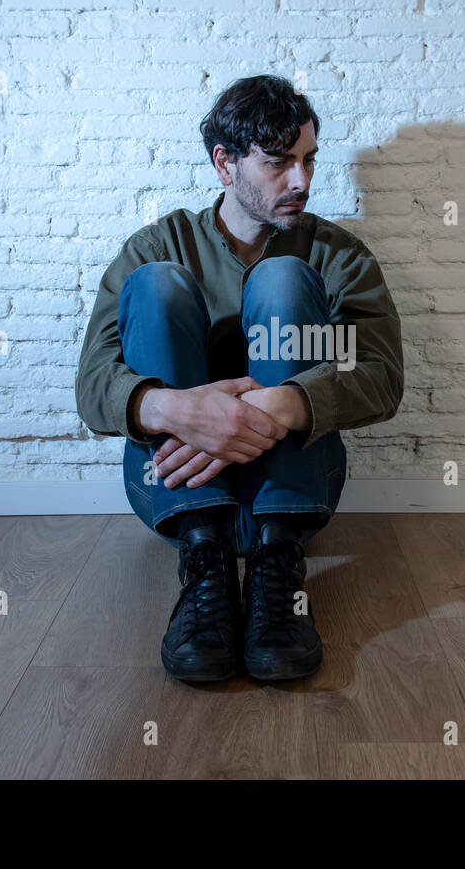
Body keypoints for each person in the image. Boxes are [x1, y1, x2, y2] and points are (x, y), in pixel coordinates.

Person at [74, 74, 404, 683]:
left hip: (295, 493)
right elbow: (92, 382)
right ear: (224, 163)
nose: (301, 181)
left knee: (284, 279)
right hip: (179, 488)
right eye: (279, 162)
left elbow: (382, 374)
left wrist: (286, 402)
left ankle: (278, 571)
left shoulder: (337, 253)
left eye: (308, 160)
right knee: (157, 287)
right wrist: (175, 410)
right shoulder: (156, 246)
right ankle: (206, 568)